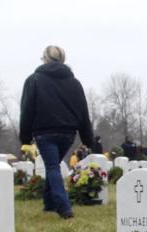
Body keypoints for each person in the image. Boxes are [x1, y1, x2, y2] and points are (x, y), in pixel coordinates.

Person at [18, 45, 95, 220]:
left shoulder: (34, 80)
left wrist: (25, 137)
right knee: (53, 165)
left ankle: (64, 207)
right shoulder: (74, 83)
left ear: (44, 59)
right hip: (68, 133)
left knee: (52, 167)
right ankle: (49, 203)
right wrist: (87, 138)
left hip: (44, 132)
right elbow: (83, 111)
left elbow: (27, 109)